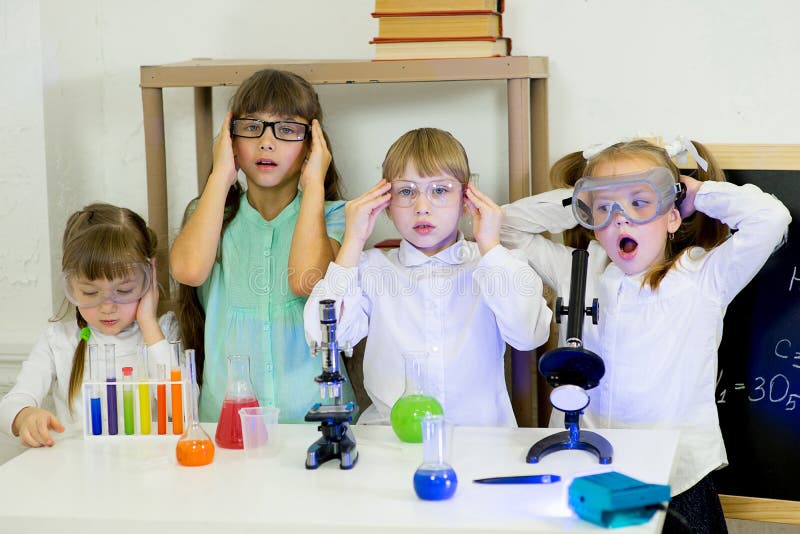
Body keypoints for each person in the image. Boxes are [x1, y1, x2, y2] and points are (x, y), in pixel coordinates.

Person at [500, 139, 791, 532]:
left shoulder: (703, 278)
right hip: (588, 468)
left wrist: (695, 192)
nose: (620, 219)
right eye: (604, 208)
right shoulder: (579, 272)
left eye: (639, 203)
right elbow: (507, 226)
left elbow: (770, 218)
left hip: (677, 477)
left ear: (672, 216)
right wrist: (580, 199)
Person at [304, 127, 552, 427]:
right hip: (390, 443)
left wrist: (490, 244)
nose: (422, 207)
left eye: (440, 190)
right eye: (406, 191)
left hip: (482, 443)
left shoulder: (496, 263)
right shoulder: (370, 268)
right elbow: (322, 337)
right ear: (386, 204)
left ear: (466, 199)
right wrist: (352, 241)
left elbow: (529, 335)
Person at [170, 69, 354, 423]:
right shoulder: (209, 212)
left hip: (317, 419)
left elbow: (307, 280)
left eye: (287, 130)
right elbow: (189, 271)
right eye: (252, 127)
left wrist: (314, 183)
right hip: (228, 419)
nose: (266, 143)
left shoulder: (336, 216)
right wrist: (221, 174)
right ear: (230, 138)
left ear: (311, 146)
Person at [0, 203, 179, 447]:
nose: (108, 306)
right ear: (72, 284)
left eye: (124, 290)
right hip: (81, 474)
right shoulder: (58, 339)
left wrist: (148, 323)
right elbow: (11, 404)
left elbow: (181, 410)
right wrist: (26, 416)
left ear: (148, 277)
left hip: (149, 471)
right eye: (91, 292)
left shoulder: (162, 332)